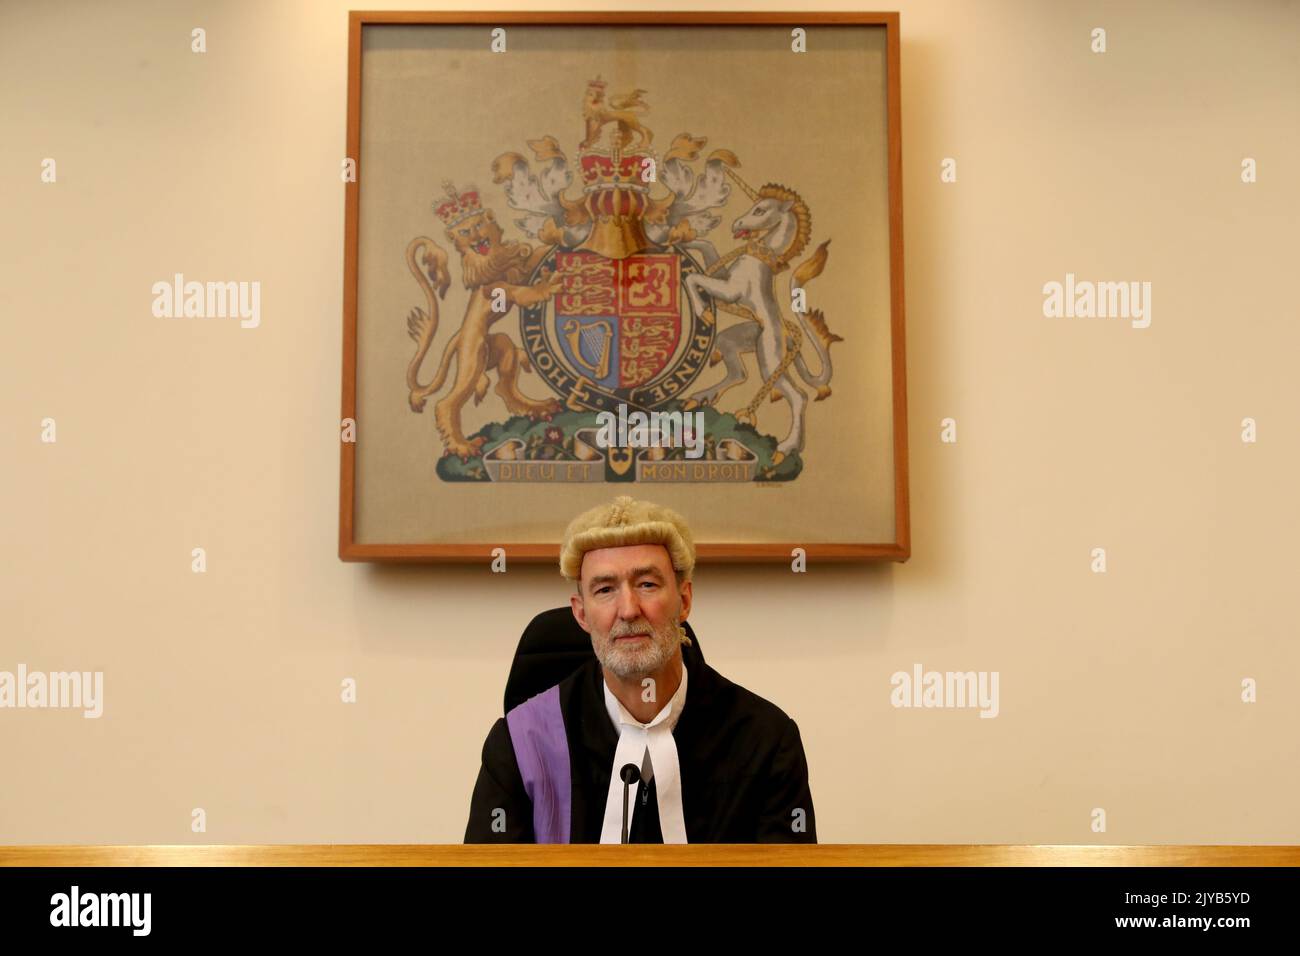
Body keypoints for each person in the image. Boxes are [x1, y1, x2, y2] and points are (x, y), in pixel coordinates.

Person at [464, 494, 816, 843]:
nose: (629, 609)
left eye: (647, 584)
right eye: (605, 589)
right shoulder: (518, 746)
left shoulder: (767, 740)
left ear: (685, 600)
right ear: (582, 614)